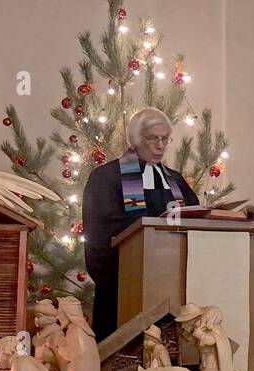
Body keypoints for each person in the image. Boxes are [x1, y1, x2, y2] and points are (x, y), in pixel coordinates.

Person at [83, 107, 200, 340]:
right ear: (136, 139)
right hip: (124, 290)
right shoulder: (106, 178)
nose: (160, 145)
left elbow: (193, 219)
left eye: (165, 139)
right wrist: (129, 282)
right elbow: (99, 238)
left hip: (174, 288)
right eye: (153, 138)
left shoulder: (175, 180)